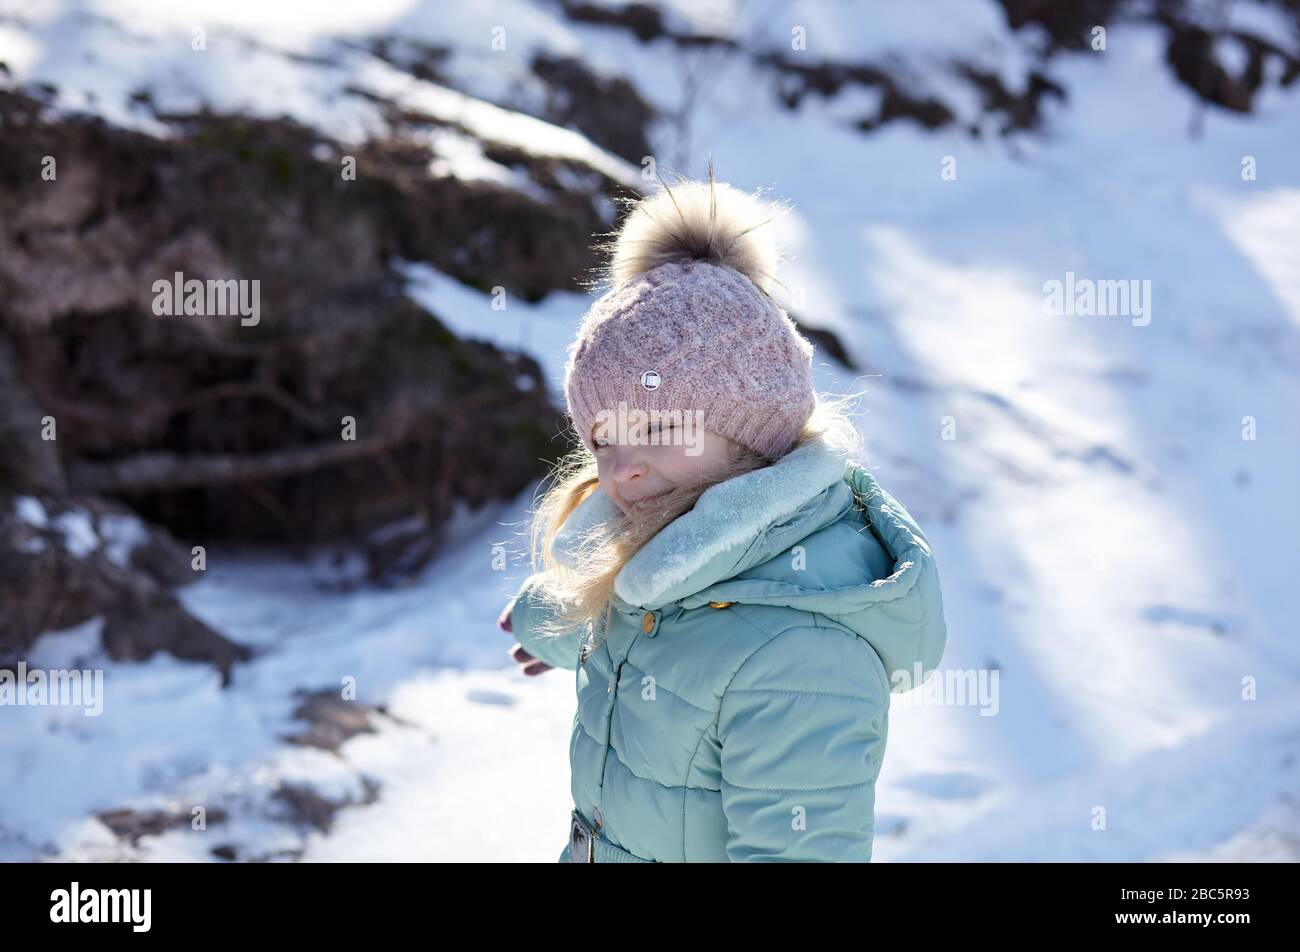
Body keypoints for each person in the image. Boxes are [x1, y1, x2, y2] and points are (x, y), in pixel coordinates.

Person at [496, 165, 947, 862]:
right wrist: (559, 617)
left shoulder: (800, 654)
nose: (622, 467)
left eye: (656, 430)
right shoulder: (671, 551)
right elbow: (657, 633)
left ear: (753, 430)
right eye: (603, 438)